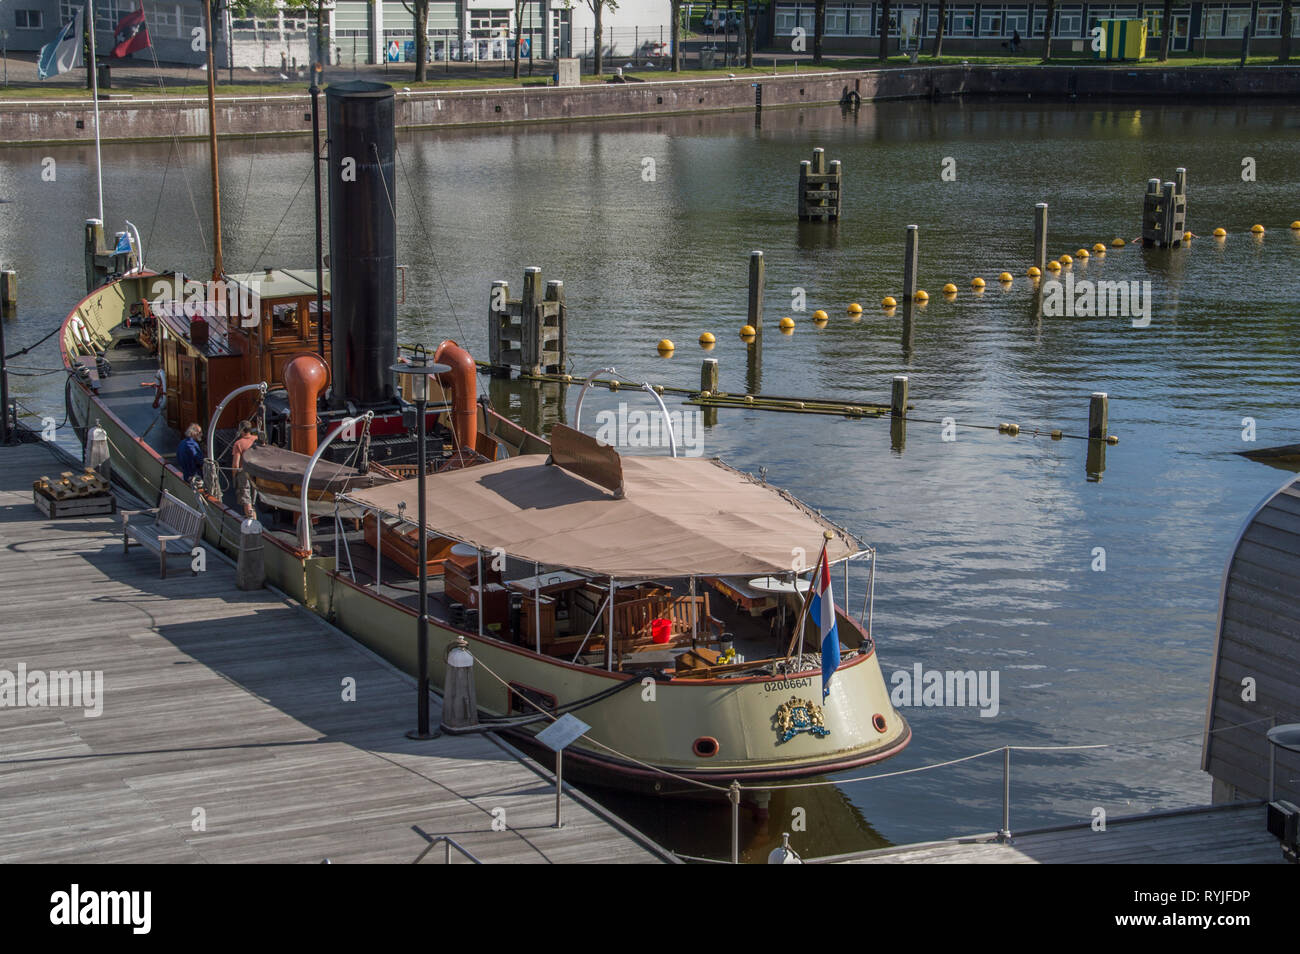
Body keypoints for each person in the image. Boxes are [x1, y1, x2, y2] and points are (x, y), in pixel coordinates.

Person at [231, 421, 259, 518]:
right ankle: (254, 518)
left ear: (241, 431)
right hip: (256, 472)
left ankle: (251, 520)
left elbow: (236, 464)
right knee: (253, 498)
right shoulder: (256, 439)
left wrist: (234, 475)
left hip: (244, 472)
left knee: (246, 497)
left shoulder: (238, 444)